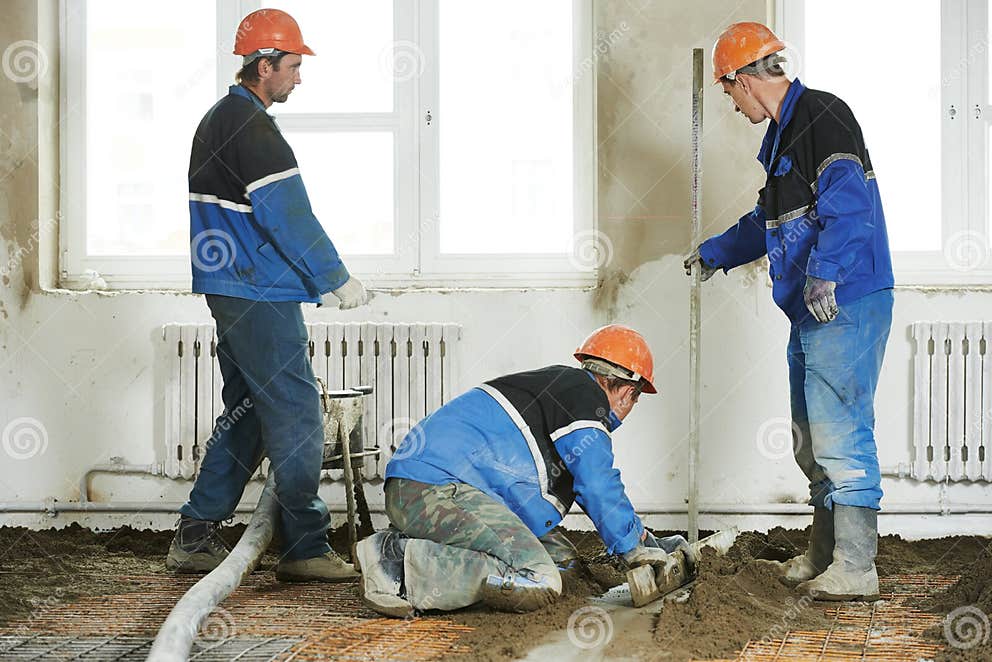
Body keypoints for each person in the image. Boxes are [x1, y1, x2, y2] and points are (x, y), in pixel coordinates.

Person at [684, 22, 894, 601]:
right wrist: (714, 254)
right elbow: (765, 223)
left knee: (840, 433)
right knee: (809, 439)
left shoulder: (822, 116)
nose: (729, 103)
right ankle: (828, 553)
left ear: (745, 79)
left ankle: (857, 565)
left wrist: (826, 271)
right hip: (811, 310)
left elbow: (850, 206)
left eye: (727, 90)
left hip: (845, 300)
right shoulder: (782, 138)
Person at [167, 9, 369, 582]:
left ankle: (195, 533)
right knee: (299, 411)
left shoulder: (222, 118)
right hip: (256, 291)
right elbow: (289, 216)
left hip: (233, 287)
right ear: (264, 65)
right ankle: (305, 545)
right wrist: (335, 279)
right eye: (293, 66)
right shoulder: (250, 128)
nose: (298, 79)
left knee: (250, 413)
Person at [353, 325, 694, 617]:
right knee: (540, 580)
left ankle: (410, 547)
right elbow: (597, 481)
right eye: (635, 398)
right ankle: (396, 562)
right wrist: (632, 548)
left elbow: (591, 489)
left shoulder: (559, 392)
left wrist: (645, 541)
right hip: (434, 488)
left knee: (565, 567)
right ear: (624, 388)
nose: (630, 408)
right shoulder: (584, 394)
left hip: (439, 490)